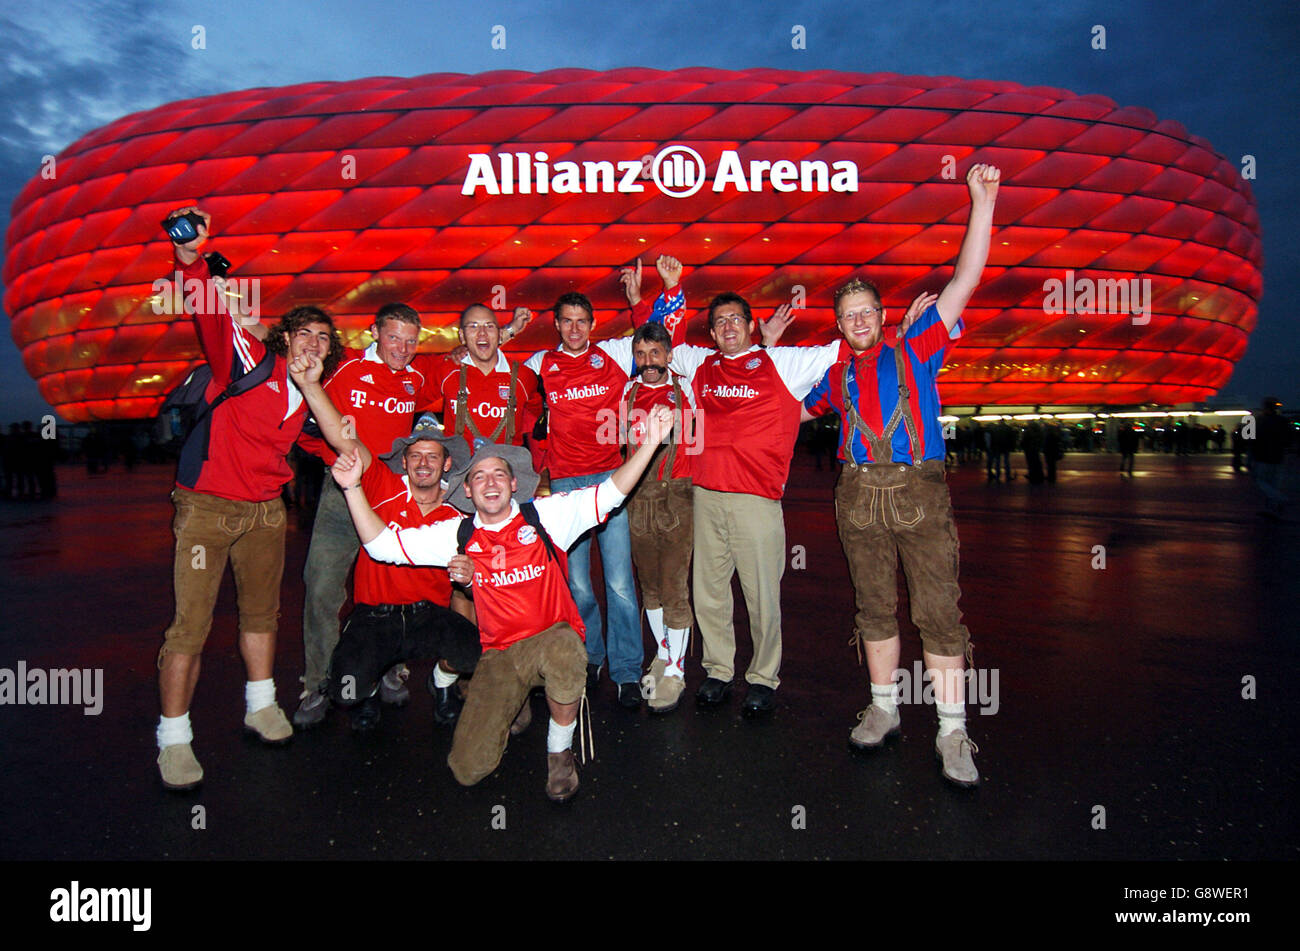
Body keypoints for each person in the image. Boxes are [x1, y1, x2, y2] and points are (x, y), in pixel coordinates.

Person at [332, 404, 679, 800]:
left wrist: (650, 442)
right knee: (466, 770)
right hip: (499, 654)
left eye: (499, 473)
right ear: (466, 489)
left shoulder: (546, 516)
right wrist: (351, 488)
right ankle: (516, 702)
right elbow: (381, 546)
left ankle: (559, 752)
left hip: (551, 640)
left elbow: (611, 492)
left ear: (514, 484)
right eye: (479, 476)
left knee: (567, 648)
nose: (490, 482)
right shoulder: (456, 533)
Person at [802, 163, 1001, 787]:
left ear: (882, 316)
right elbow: (788, 407)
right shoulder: (833, 379)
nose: (858, 320)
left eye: (867, 311)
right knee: (873, 609)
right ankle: (885, 710)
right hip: (856, 495)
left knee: (939, 612)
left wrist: (982, 202)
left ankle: (952, 730)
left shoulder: (917, 349)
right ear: (838, 324)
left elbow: (965, 279)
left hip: (918, 489)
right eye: (848, 314)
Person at [154, 205, 344, 790]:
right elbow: (208, 308)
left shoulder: (309, 398)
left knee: (263, 614)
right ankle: (173, 738)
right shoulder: (246, 361)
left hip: (265, 513)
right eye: (304, 333)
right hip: (207, 509)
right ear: (283, 337)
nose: (315, 343)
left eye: (324, 337)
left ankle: (261, 705)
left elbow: (336, 449)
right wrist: (190, 256)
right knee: (191, 626)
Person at [291, 343, 480, 731]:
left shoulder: (460, 513)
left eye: (433, 455)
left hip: (426, 616)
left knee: (477, 653)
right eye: (416, 456)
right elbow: (344, 440)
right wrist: (311, 386)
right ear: (404, 461)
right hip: (376, 617)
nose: (424, 463)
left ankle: (441, 684)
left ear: (447, 462)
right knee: (346, 691)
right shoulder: (381, 487)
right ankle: (372, 682)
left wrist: (470, 576)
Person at [522, 259, 682, 707]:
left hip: (612, 483)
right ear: (556, 325)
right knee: (578, 585)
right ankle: (590, 656)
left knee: (618, 583)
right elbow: (503, 377)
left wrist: (642, 296)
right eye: (567, 322)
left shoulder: (612, 354)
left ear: (592, 325)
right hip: (569, 486)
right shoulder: (540, 363)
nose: (574, 329)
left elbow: (652, 332)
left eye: (582, 322)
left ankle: (627, 671)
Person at [618, 320, 699, 714]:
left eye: (656, 353)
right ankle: (663, 654)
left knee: (674, 588)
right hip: (638, 500)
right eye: (641, 354)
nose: (648, 361)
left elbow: (706, 440)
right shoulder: (626, 393)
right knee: (648, 586)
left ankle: (678, 672)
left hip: (678, 497)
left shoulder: (687, 389)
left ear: (669, 354)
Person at [431, 303, 542, 450]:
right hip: (460, 470)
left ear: (499, 334)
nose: (482, 333)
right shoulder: (446, 371)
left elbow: (536, 423)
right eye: (473, 326)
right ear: (462, 336)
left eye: (489, 326)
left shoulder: (524, 377)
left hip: (507, 468)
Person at [1251, 398, 1291, 519]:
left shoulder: (1260, 421)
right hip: (1278, 456)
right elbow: (1288, 438)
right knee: (1274, 483)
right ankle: (1272, 508)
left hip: (1263, 456)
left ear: (1265, 408)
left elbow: (1252, 439)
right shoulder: (1283, 421)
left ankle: (1279, 499)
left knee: (1261, 481)